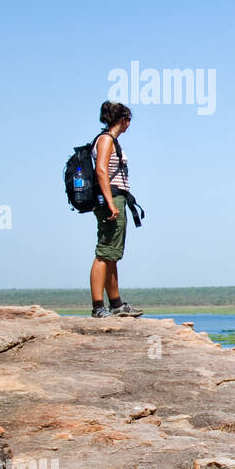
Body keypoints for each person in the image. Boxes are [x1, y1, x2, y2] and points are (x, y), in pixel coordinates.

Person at [89, 101, 144, 318]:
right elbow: (101, 171)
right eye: (128, 119)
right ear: (122, 120)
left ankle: (116, 304)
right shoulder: (105, 140)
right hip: (111, 199)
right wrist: (111, 203)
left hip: (116, 198)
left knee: (112, 254)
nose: (129, 124)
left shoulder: (110, 140)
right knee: (104, 253)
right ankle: (98, 307)